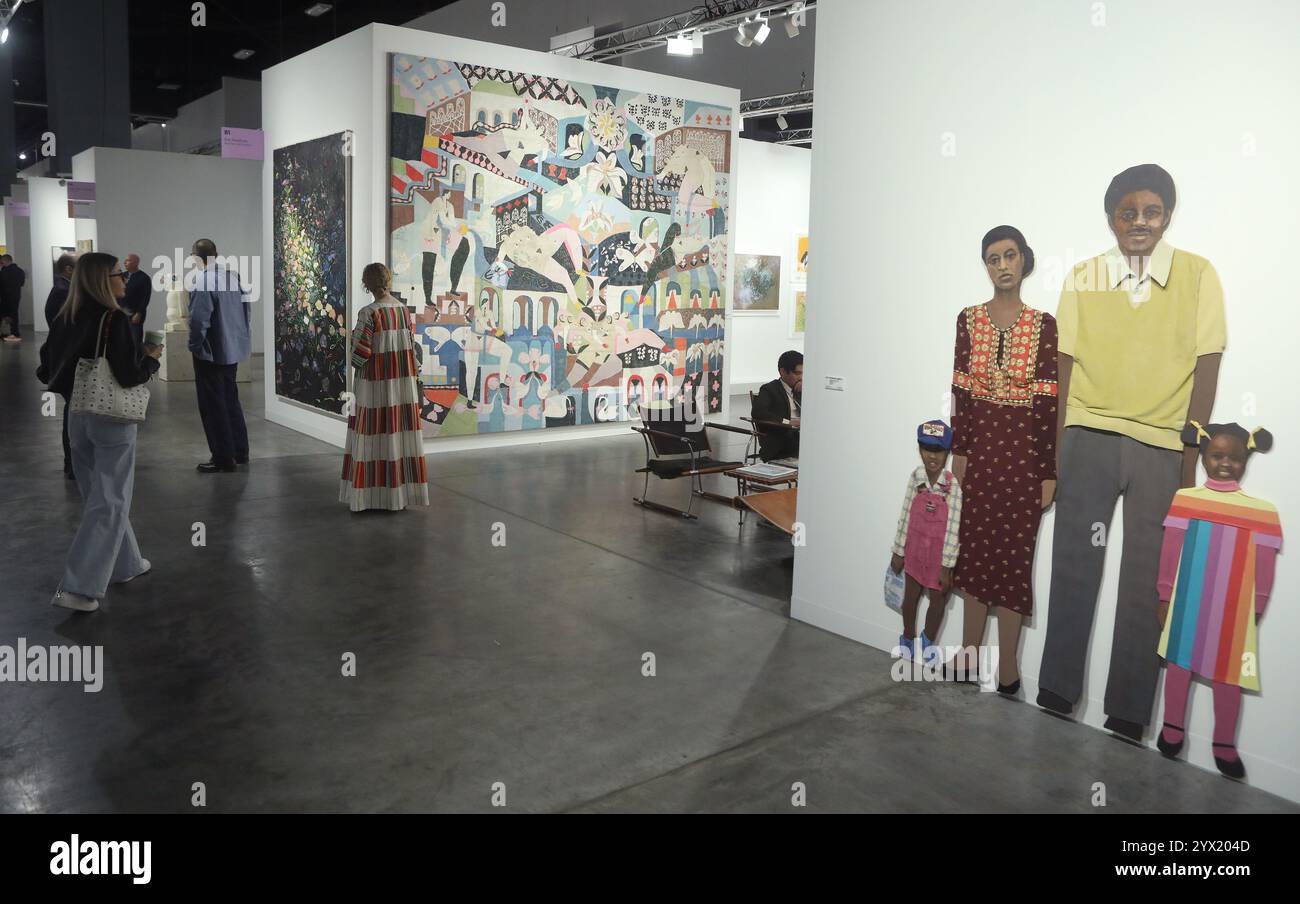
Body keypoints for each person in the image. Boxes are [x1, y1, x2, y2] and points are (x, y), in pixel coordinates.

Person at [1037, 164, 1226, 744]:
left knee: (1148, 580)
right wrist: (1053, 450)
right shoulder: (1085, 275)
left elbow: (1207, 364)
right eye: (1127, 212)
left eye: (1151, 212)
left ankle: (1127, 713)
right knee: (1073, 564)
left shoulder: (1197, 275)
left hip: (1162, 446)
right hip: (1088, 436)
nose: (1139, 222)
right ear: (1111, 218)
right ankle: (1056, 692)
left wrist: (1190, 452)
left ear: (1167, 215)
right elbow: (1063, 365)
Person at [946, 226, 1057, 696]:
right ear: (986, 266)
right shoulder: (968, 320)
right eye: (993, 258)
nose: (1002, 265)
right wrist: (960, 451)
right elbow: (961, 393)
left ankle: (1008, 666)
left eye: (1010, 256)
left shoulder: (1044, 324)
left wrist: (1049, 470)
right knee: (973, 552)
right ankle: (969, 654)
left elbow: (1049, 403)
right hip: (982, 452)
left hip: (1024, 455)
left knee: (1014, 557)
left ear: (1024, 260)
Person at [1155, 423, 1280, 782]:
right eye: (1218, 455)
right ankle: (1172, 726)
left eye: (1236, 458)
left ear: (1246, 460)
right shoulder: (1186, 499)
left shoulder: (1263, 512)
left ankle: (1224, 742)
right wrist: (1165, 595)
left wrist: (1257, 605)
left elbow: (1265, 566)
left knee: (1229, 675)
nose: (1226, 463)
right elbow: (1170, 552)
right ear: (1203, 456)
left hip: (1233, 610)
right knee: (1178, 665)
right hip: (1187, 602)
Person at [43, 252, 161, 611]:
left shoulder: (67, 316)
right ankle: (78, 588)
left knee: (99, 493)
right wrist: (152, 359)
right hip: (110, 416)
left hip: (77, 413)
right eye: (117, 275)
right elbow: (128, 375)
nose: (124, 280)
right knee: (110, 498)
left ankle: (127, 563)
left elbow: (47, 364)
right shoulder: (114, 319)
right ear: (101, 279)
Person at [340, 263, 430, 512]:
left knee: (372, 435)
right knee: (397, 434)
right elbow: (411, 348)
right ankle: (398, 496)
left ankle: (369, 497)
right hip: (401, 383)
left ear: (366, 284)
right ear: (388, 280)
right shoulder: (402, 311)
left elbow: (359, 355)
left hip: (374, 384)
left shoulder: (369, 313)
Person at [889, 420, 962, 664]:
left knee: (937, 600)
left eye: (939, 450)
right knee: (909, 598)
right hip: (914, 549)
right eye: (927, 449)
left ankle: (929, 641)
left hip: (938, 555)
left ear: (947, 452)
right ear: (919, 450)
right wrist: (898, 551)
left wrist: (947, 565)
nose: (932, 456)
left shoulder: (952, 487)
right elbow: (905, 513)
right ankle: (908, 636)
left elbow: (954, 527)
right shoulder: (916, 477)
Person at [188, 238, 251, 473]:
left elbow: (198, 320)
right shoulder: (232, 278)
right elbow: (245, 312)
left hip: (211, 353)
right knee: (230, 400)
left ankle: (223, 457)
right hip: (231, 350)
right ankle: (240, 451)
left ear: (195, 257)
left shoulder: (202, 281)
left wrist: (194, 346)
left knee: (213, 406)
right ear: (217, 253)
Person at [42, 254, 78, 478]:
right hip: (69, 365)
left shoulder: (62, 291)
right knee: (73, 414)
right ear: (68, 270)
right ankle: (72, 463)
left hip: (66, 363)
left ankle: (73, 462)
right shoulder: (63, 293)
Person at [752, 349, 802, 462]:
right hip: (783, 439)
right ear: (783, 372)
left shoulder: (802, 389)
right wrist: (787, 422)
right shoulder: (769, 389)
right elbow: (758, 412)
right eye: (797, 373)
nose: (801, 378)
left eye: (803, 373)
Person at [122, 253, 153, 344]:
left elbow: (145, 297)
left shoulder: (144, 278)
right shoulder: (121, 276)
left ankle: (137, 357)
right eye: (125, 260)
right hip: (122, 312)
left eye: (128, 260)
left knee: (135, 340)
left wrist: (139, 313)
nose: (125, 262)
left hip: (135, 313)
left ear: (136, 263)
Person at [0, 253, 27, 342]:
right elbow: (22, 283)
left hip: (5, 297)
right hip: (16, 296)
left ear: (4, 261)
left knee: (5, 315)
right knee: (14, 314)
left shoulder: (4, 272)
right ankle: (14, 333)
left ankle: (10, 333)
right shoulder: (20, 271)